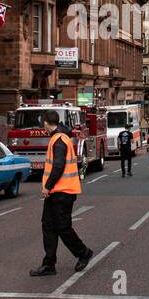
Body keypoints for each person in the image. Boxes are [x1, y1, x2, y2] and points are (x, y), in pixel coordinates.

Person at [30, 110, 92, 277]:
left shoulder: (58, 141)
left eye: (42, 123)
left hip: (63, 192)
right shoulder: (60, 138)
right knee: (48, 226)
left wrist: (47, 187)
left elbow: (58, 167)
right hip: (58, 192)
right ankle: (49, 264)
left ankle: (83, 252)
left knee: (63, 228)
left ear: (45, 123)